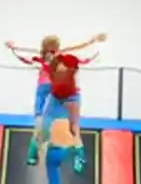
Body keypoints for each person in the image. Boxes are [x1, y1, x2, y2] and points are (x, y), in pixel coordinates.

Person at [6, 34, 105, 165]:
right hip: (49, 90)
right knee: (43, 124)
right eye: (50, 49)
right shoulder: (45, 58)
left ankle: (36, 152)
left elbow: (77, 50)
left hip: (54, 91)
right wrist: (14, 49)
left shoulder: (58, 57)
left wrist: (93, 43)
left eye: (53, 49)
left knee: (53, 125)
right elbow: (28, 57)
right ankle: (34, 152)